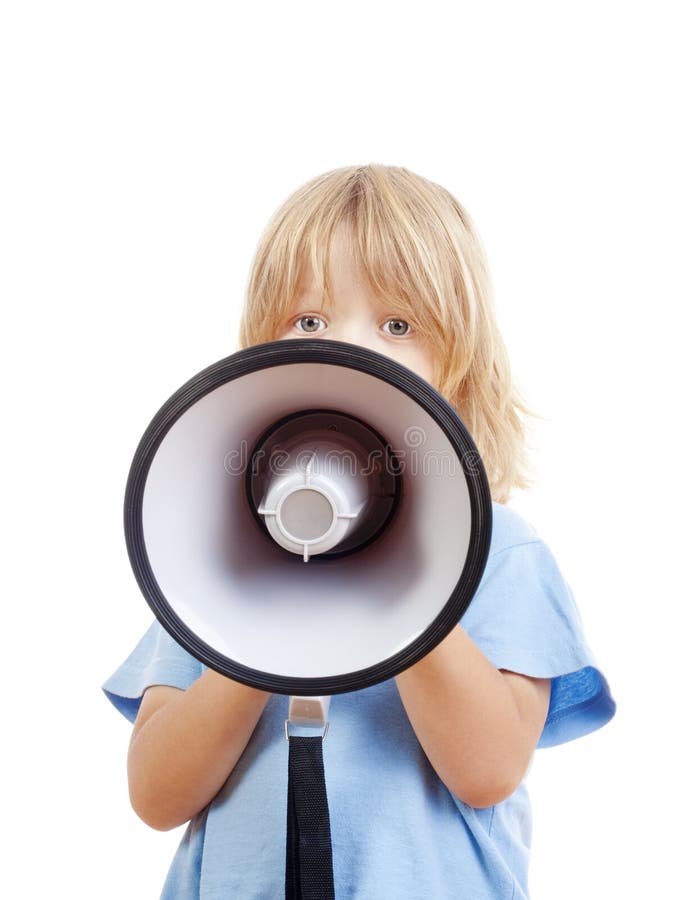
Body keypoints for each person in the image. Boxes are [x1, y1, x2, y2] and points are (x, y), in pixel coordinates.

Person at [104, 164, 616, 899]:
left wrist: (402, 583)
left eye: (397, 325)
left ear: (458, 369)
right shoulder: (207, 557)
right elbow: (156, 794)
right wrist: (255, 624)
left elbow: (487, 770)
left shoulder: (502, 553)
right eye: (308, 321)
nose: (348, 349)